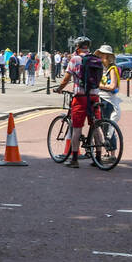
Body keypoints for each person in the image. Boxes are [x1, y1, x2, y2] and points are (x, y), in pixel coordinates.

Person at [54, 36, 102, 169]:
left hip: (80, 97)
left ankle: (74, 159)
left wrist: (59, 89)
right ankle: (98, 157)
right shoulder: (96, 59)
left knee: (76, 128)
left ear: (77, 47)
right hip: (94, 96)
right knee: (96, 126)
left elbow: (66, 79)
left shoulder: (75, 59)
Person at [97, 45, 122, 127]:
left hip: (107, 101)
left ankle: (109, 140)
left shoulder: (112, 69)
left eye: (102, 54)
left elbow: (112, 86)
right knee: (101, 126)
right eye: (99, 53)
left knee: (107, 129)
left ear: (107, 56)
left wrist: (98, 85)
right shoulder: (103, 68)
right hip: (101, 98)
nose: (99, 55)